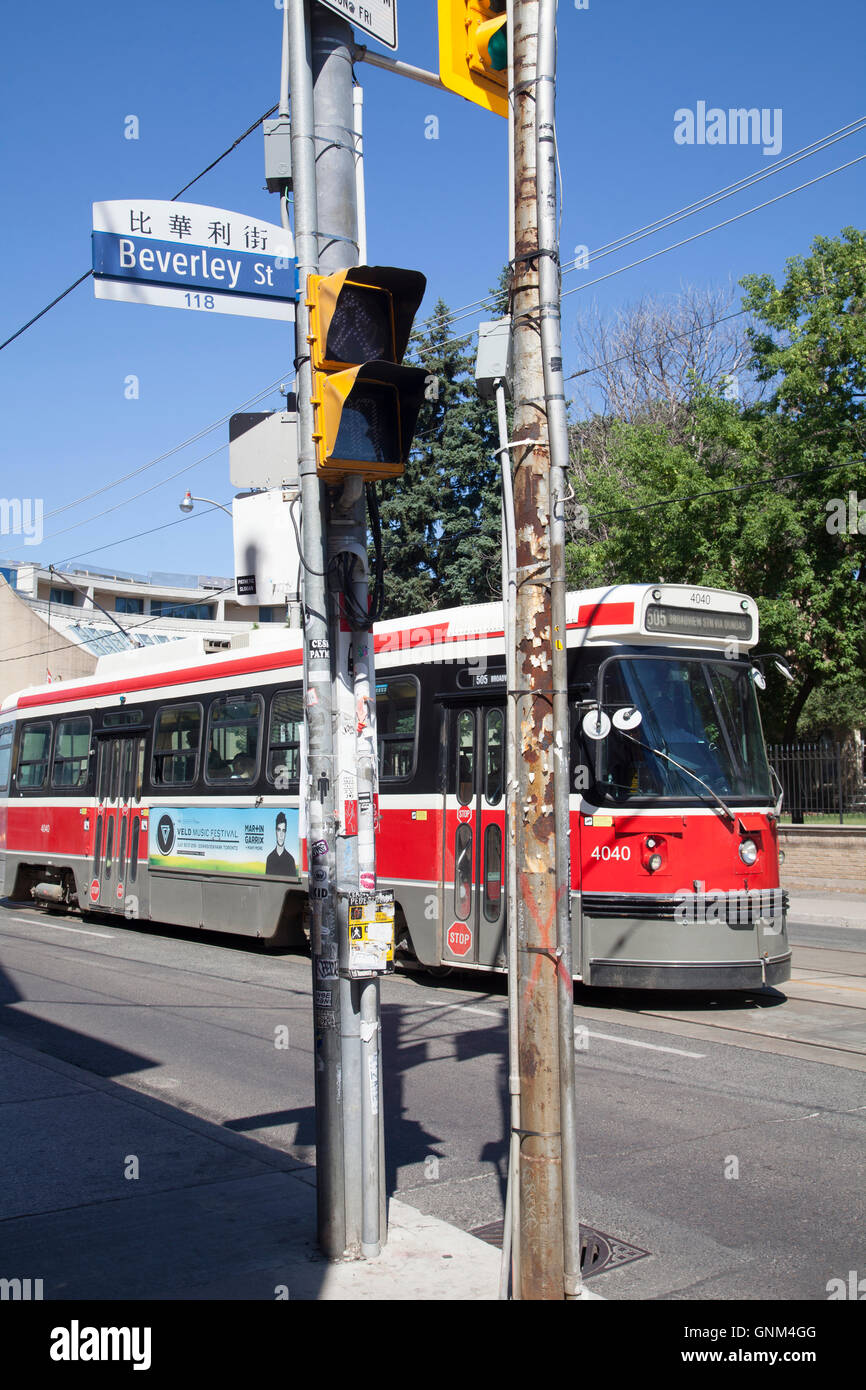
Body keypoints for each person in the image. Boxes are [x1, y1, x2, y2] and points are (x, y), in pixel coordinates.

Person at [265, 811, 297, 878]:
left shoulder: (290, 860)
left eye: (283, 830)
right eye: (279, 830)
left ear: (286, 833)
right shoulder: (269, 858)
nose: (281, 835)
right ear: (275, 831)